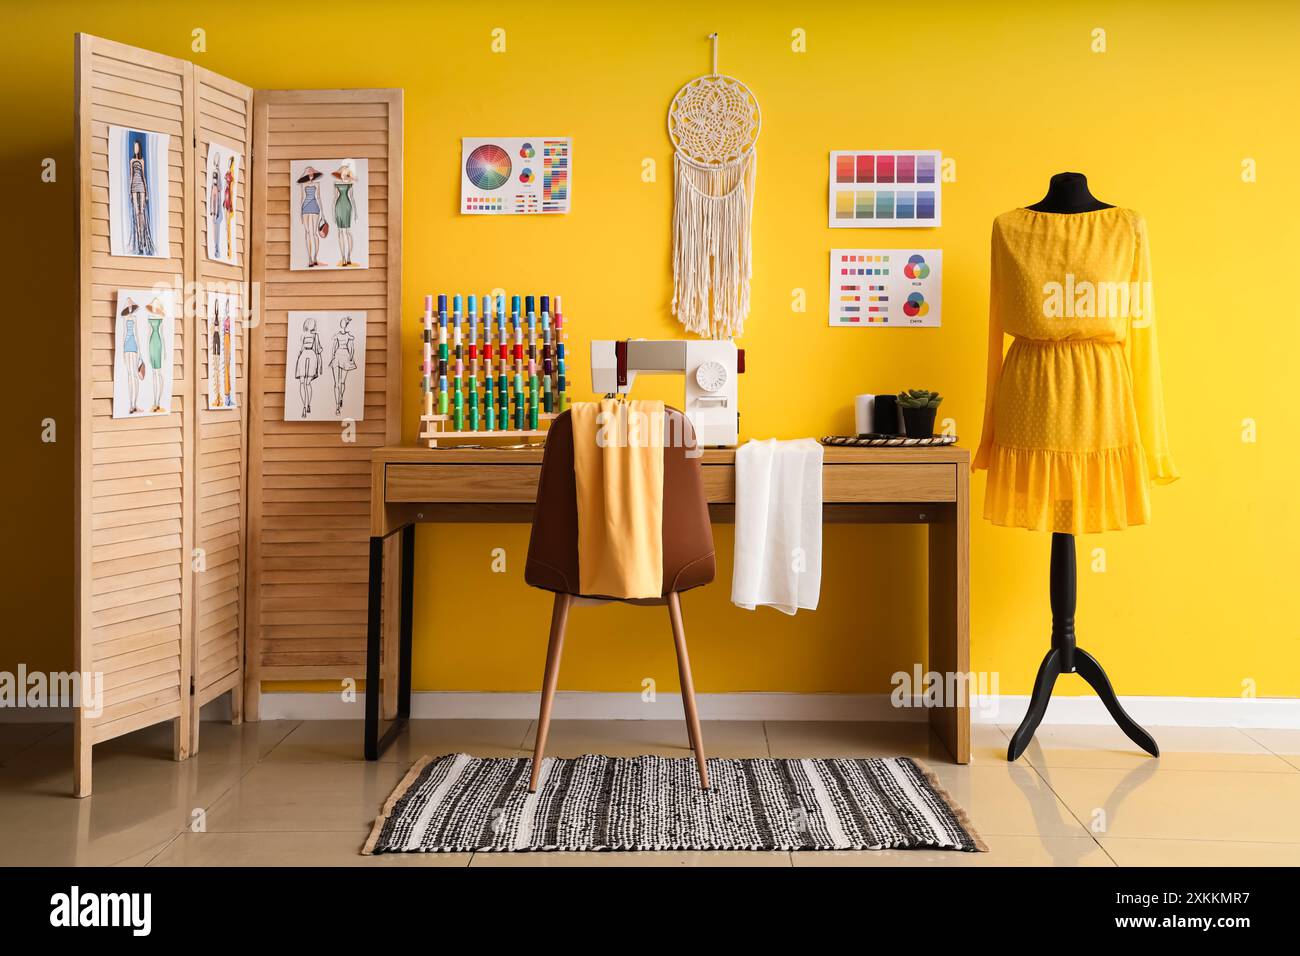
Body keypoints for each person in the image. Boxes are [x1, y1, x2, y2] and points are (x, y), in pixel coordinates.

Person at [128, 139, 155, 256]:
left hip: (142, 186)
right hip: (134, 185)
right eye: (134, 147)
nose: (136, 149)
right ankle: (139, 241)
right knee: (136, 212)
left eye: (137, 147)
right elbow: (131, 176)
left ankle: (144, 240)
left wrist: (147, 191)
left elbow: (143, 176)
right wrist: (129, 190)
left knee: (142, 212)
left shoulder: (141, 161)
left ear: (139, 148)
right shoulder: (132, 161)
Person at [328, 315, 358, 416]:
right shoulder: (337, 335)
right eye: (341, 322)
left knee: (342, 382)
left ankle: (341, 397)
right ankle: (337, 406)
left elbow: (352, 348)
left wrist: (351, 357)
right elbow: (333, 347)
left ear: (346, 324)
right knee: (336, 383)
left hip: (345, 356)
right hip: (337, 356)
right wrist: (332, 357)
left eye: (344, 322)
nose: (342, 324)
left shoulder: (349, 335)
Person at [294, 317, 323, 417]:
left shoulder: (316, 335)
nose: (312, 325)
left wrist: (320, 365)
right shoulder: (302, 335)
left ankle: (308, 404)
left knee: (307, 383)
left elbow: (318, 350)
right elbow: (300, 348)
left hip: (312, 356)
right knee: (302, 382)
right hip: (303, 356)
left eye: (313, 324)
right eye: (311, 323)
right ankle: (304, 406)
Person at [297, 167, 324, 267]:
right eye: (309, 173)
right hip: (305, 207)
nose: (311, 175)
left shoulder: (317, 184)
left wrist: (323, 213)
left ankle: (315, 257)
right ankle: (309, 258)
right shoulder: (303, 184)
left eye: (312, 173)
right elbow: (301, 198)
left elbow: (319, 198)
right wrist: (300, 212)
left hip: (315, 207)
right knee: (307, 232)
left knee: (314, 233)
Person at [120, 298, 142, 414]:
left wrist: (140, 353)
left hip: (133, 346)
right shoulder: (125, 319)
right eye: (128, 307)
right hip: (127, 347)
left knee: (134, 375)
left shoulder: (134, 318)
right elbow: (124, 334)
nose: (130, 309)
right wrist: (122, 350)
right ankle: (132, 405)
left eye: (131, 307)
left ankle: (134, 404)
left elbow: (137, 335)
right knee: (130, 375)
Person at [332, 162, 356, 266]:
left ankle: (349, 255)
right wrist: (333, 212)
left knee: (347, 232)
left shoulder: (350, 184)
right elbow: (334, 198)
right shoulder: (336, 183)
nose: (343, 174)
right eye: (342, 172)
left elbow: (352, 198)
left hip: (347, 206)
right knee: (340, 232)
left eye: (345, 173)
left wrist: (356, 212)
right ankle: (343, 257)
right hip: (338, 207)